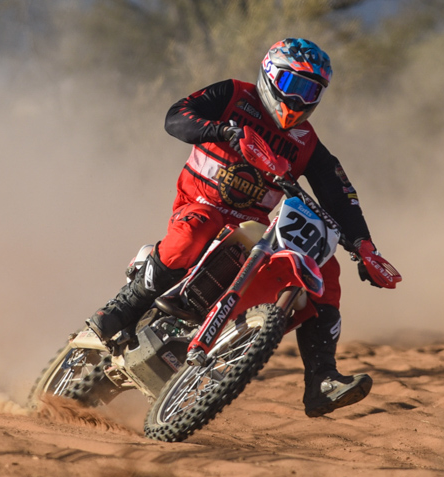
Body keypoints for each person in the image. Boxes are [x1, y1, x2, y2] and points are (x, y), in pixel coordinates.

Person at [86, 38, 400, 418]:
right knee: (193, 232)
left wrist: (364, 247)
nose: (300, 99)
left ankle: (322, 379)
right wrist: (224, 132)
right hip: (200, 205)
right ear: (270, 75)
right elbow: (176, 117)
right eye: (294, 85)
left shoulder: (307, 142)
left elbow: (340, 194)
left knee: (325, 272)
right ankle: (119, 310)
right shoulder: (233, 95)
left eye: (311, 90)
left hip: (252, 228)